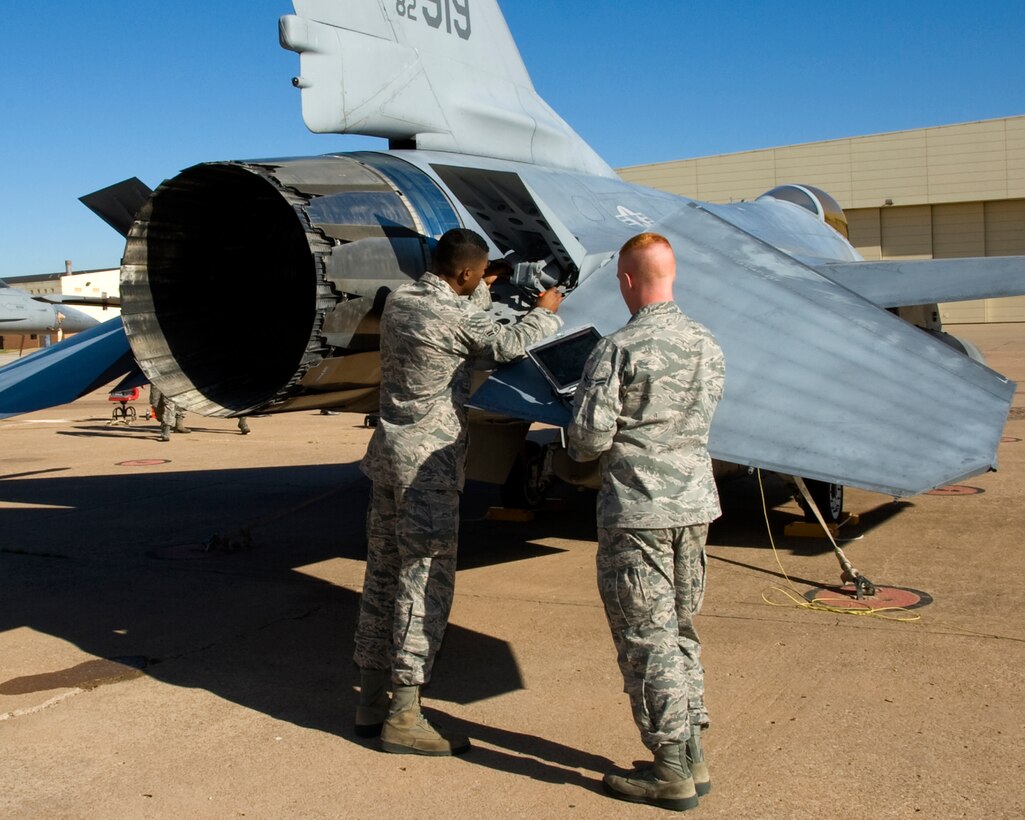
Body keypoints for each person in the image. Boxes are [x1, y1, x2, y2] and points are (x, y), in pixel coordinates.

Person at [354, 228, 564, 756]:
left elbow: (460, 317)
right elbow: (507, 343)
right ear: (466, 273)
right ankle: (404, 715)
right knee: (423, 581)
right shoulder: (454, 314)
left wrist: (483, 284)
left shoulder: (404, 299)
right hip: (429, 467)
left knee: (383, 573)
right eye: (478, 273)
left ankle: (372, 700)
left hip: (389, 458)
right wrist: (547, 308)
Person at [566, 232, 725, 811]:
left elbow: (586, 442)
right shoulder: (707, 342)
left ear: (628, 281)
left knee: (646, 639)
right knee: (680, 630)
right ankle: (692, 752)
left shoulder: (618, 349)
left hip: (638, 515)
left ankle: (669, 769)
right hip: (695, 509)